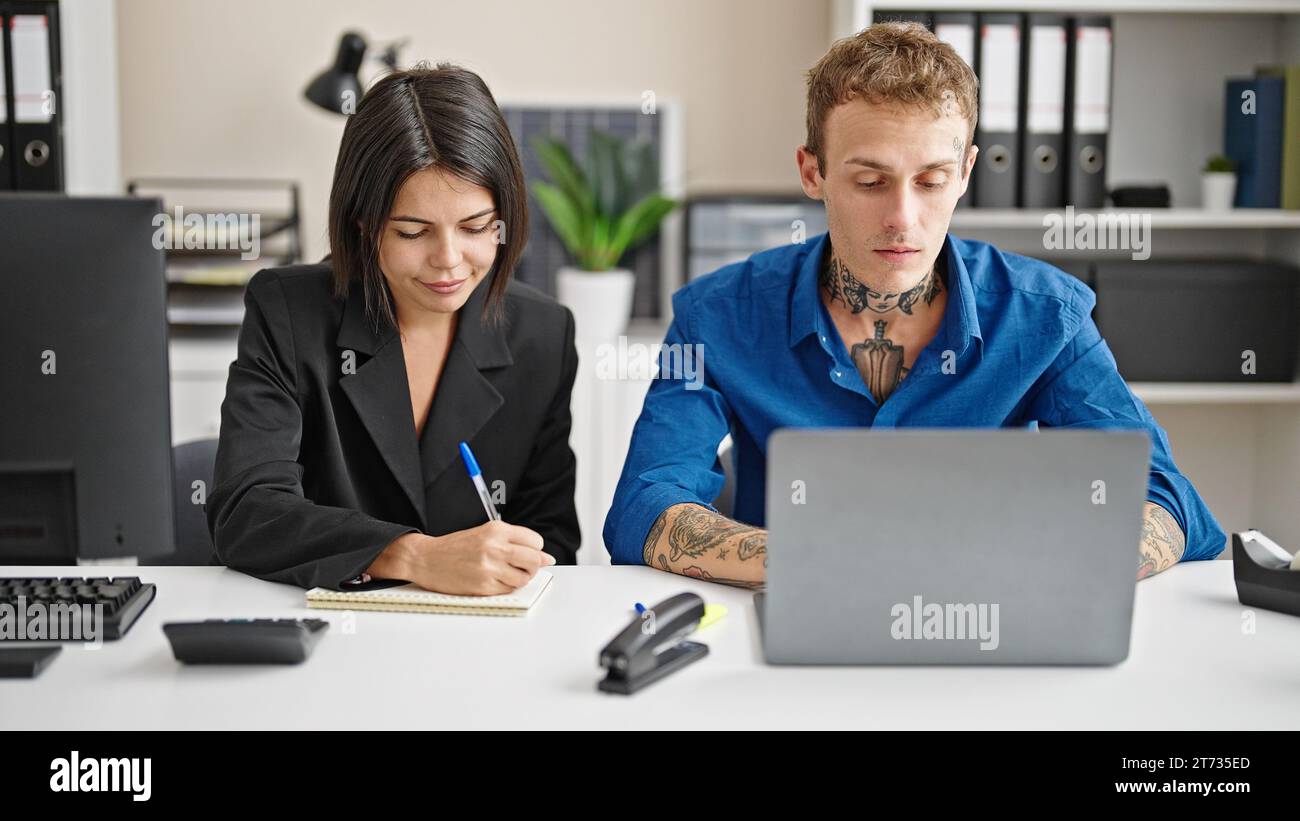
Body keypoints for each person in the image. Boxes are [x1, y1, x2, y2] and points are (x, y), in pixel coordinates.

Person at [604, 23, 1224, 586]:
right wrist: (828, 560)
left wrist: (1035, 563)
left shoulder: (1046, 315)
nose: (903, 218)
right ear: (812, 173)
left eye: (930, 181)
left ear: (966, 172)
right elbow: (646, 506)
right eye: (869, 182)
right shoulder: (714, 317)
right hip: (795, 619)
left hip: (988, 619)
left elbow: (1167, 501)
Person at [208, 64, 579, 593]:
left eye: (475, 227)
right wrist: (415, 557)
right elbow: (246, 513)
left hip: (480, 645)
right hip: (328, 633)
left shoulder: (544, 333)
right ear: (363, 225)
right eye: (412, 231)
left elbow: (553, 542)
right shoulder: (289, 311)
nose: (448, 261)